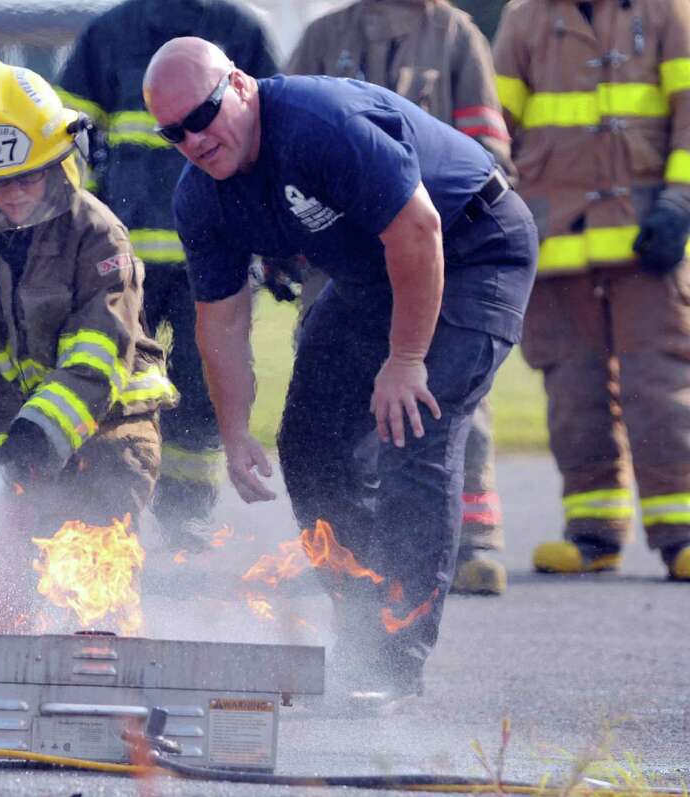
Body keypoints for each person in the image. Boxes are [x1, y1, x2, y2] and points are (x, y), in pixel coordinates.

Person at [143, 37, 536, 706]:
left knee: (414, 429)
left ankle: (395, 660)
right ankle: (364, 624)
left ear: (239, 86)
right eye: (172, 132)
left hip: (474, 246)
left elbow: (419, 230)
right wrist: (235, 432)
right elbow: (223, 321)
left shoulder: (322, 125)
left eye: (201, 116)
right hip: (372, 276)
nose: (193, 140)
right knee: (311, 444)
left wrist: (406, 360)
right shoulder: (201, 197)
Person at [0, 60, 177, 632]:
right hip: (0, 419)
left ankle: (101, 670)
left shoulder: (99, 235)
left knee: (88, 576)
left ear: (62, 161)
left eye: (31, 176)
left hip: (108, 424)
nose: (17, 194)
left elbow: (96, 359)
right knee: (8, 593)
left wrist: (30, 444)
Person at [285, 0, 514, 596]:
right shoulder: (322, 36)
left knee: (447, 400)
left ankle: (472, 543)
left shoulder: (455, 35)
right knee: (338, 404)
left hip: (432, 249)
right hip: (340, 265)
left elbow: (489, 147)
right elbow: (279, 141)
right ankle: (359, 555)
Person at [56, 0, 278, 552]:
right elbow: (65, 145)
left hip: (216, 252)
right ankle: (107, 509)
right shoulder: (106, 35)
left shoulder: (243, 30)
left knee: (206, 384)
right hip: (119, 260)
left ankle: (186, 516)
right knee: (111, 378)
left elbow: (270, 132)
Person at [494, 0, 690, 581]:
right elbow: (492, 128)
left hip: (647, 242)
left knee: (659, 389)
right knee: (573, 397)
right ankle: (592, 534)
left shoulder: (666, 14)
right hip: (557, 247)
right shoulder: (524, 19)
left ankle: (680, 534)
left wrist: (681, 202)